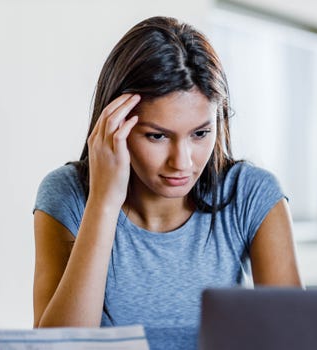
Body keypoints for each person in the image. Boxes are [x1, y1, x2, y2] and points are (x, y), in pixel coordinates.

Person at [32, 16, 302, 349]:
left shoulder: (252, 194)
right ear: (115, 125)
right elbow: (56, 347)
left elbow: (293, 338)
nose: (183, 162)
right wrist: (103, 200)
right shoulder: (67, 194)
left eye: (200, 134)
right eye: (158, 136)